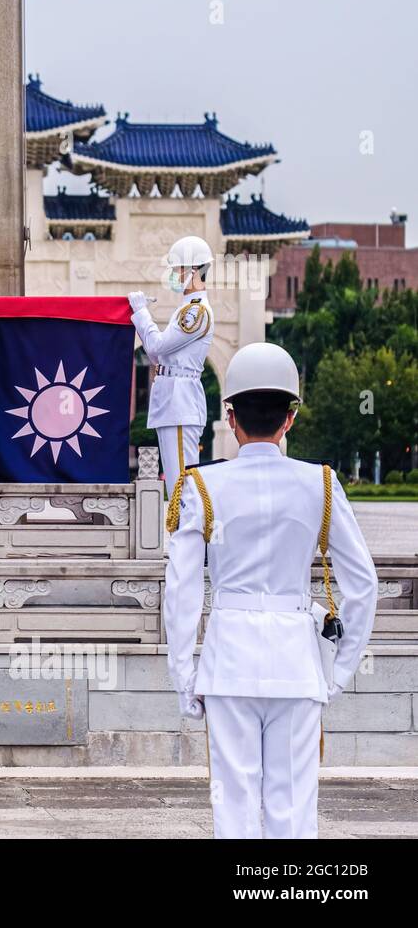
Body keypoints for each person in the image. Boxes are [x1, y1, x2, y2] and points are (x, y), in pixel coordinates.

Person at [163, 341, 377, 838]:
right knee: (293, 810)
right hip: (296, 666)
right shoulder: (319, 483)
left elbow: (182, 591)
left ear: (231, 417)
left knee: (234, 810)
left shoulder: (201, 487)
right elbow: (363, 585)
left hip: (228, 664)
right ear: (290, 418)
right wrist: (340, 672)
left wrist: (184, 675)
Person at [128, 235, 215, 498]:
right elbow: (159, 358)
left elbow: (156, 347)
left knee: (181, 482)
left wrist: (141, 313)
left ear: (193, 270)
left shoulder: (195, 312)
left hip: (180, 402)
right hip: (173, 397)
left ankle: (185, 534)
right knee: (176, 480)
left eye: (177, 269)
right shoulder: (186, 308)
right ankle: (181, 532)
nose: (174, 275)